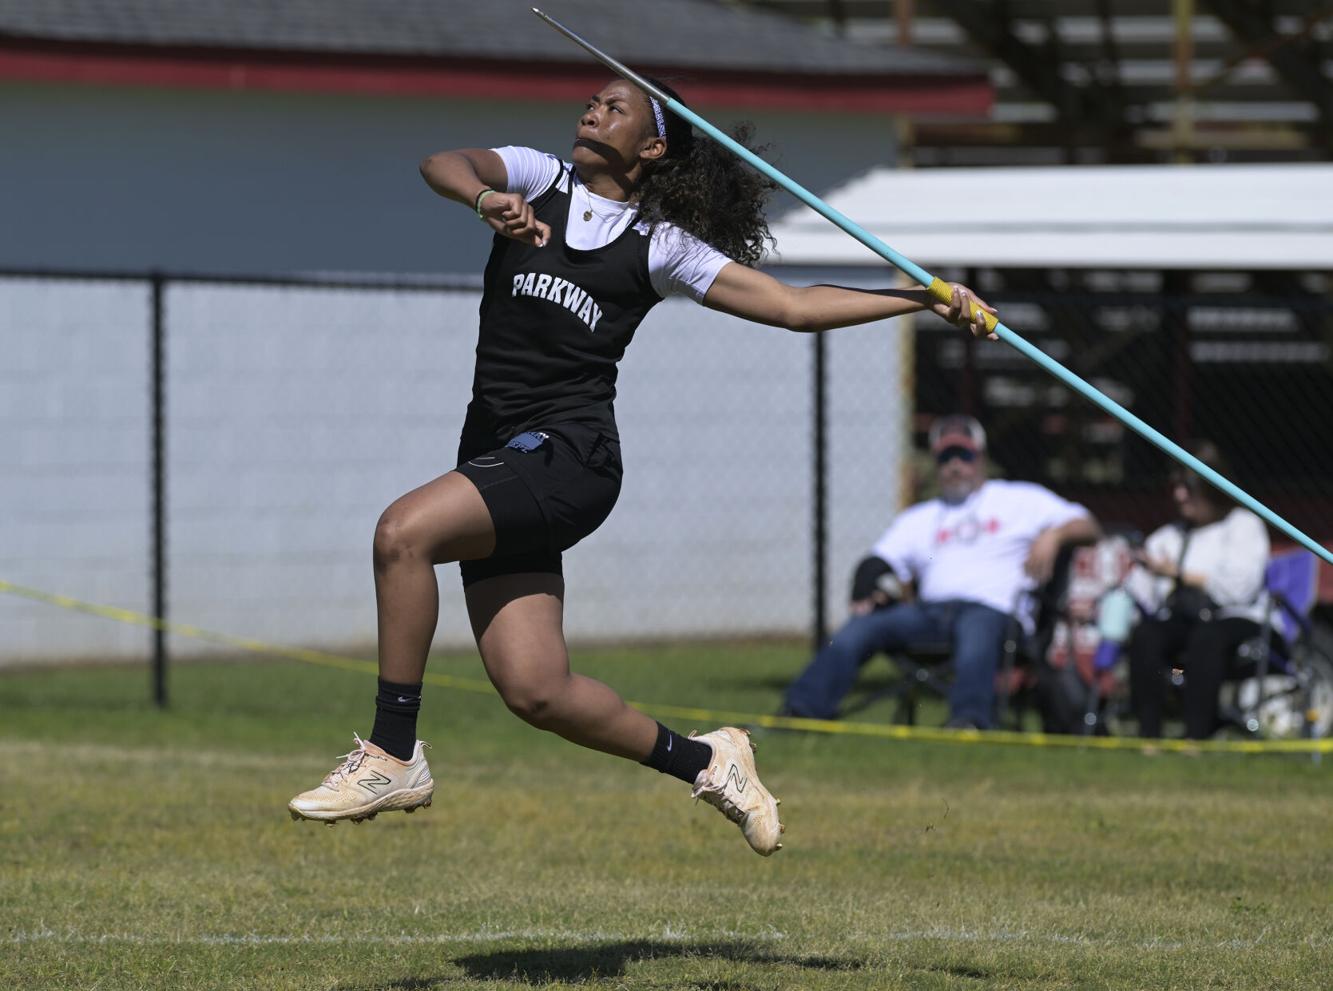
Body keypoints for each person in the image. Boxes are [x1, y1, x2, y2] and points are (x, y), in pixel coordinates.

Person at [286, 76, 995, 856]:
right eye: (593, 101)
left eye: (614, 108)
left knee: (402, 533)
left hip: (569, 457)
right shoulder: (537, 177)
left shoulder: (661, 245)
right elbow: (442, 163)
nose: (592, 110)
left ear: (652, 146)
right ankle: (710, 760)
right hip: (498, 455)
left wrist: (919, 298)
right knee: (536, 690)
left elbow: (790, 307)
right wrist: (483, 198)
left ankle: (392, 753)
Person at [781, 414, 1100, 729]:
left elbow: (1088, 526)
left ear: (980, 458)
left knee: (977, 629)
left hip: (996, 614)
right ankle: (802, 710)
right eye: (946, 457)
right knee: (862, 626)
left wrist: (1054, 535)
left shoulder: (1020, 499)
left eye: (964, 455)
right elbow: (879, 560)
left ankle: (969, 721)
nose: (955, 465)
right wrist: (865, 586)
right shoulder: (920, 516)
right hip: (929, 615)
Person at [1125, 441, 1271, 741]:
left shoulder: (1243, 525)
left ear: (1212, 489)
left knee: (1207, 637)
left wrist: (1179, 574)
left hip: (1237, 623)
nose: (1179, 496)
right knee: (1146, 636)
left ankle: (1196, 737)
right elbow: (1143, 595)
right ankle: (1149, 736)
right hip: (1184, 630)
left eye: (1188, 488)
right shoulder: (1170, 535)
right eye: (1176, 487)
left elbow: (1239, 591)